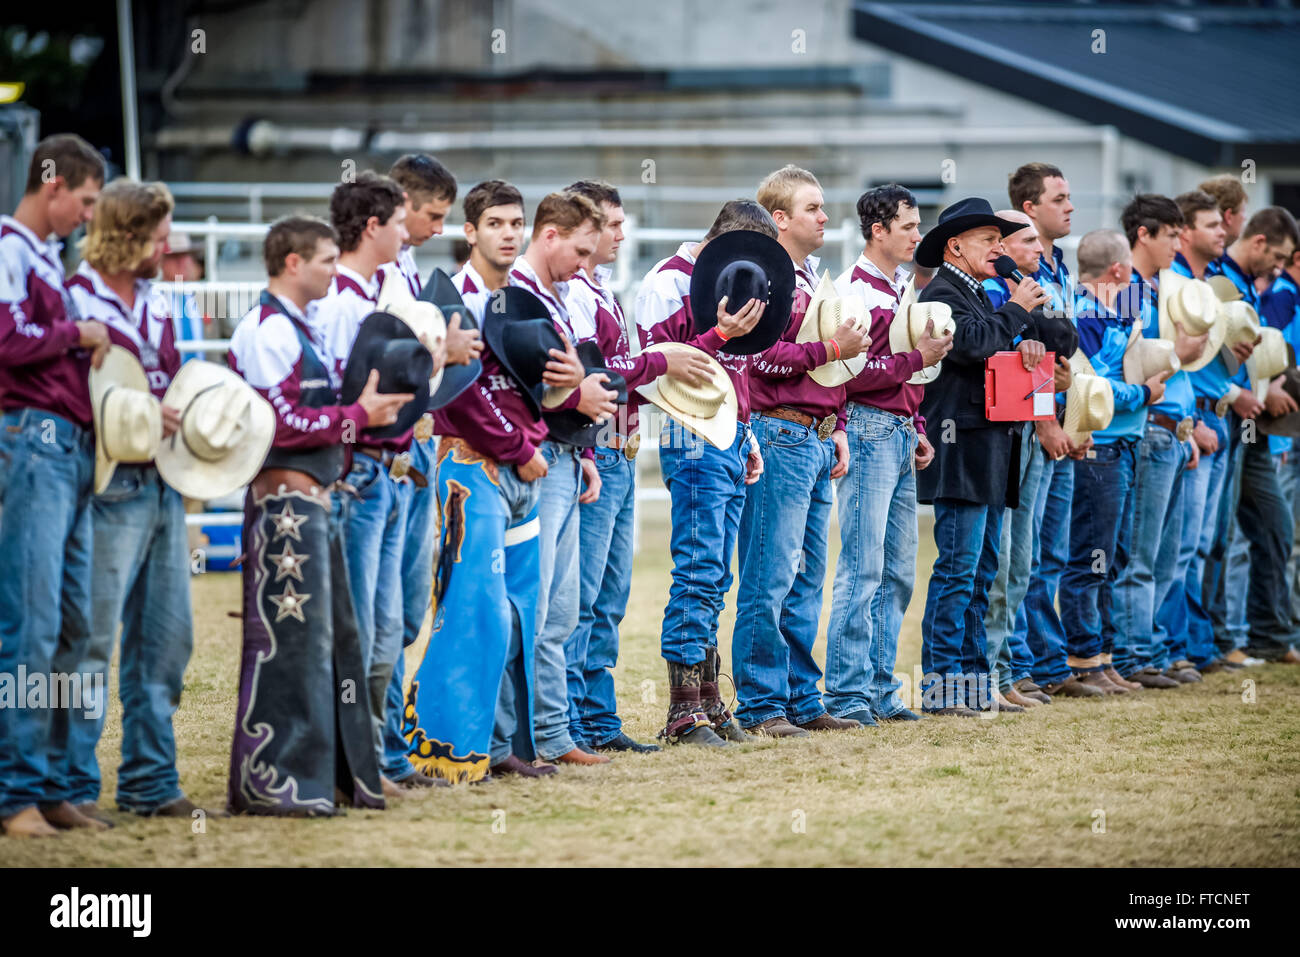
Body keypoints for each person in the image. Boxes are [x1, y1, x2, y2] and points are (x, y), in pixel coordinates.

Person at [227, 215, 408, 814]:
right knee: (286, 642)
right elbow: (275, 422)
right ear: (293, 263)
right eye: (327, 260)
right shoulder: (266, 331)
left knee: (323, 642)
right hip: (281, 506)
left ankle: (318, 773)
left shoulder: (294, 329)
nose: (337, 270)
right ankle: (272, 777)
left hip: (308, 502)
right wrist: (357, 417)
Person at [406, 180, 579, 781]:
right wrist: (520, 445)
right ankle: (446, 747)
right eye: (496, 223)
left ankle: (501, 743)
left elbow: (538, 388)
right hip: (470, 467)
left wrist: (568, 385)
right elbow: (459, 398)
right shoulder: (452, 302)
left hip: (521, 465)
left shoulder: (520, 300)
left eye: (515, 224)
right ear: (470, 231)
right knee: (474, 606)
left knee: (518, 610)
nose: (507, 234)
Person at [63, 179, 197, 822]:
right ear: (128, 234)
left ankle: (150, 779)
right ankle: (69, 784)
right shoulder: (74, 300)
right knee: (88, 639)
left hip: (161, 478)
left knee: (166, 641)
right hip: (109, 479)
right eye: (158, 236)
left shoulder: (155, 301)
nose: (167, 248)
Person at [562, 180, 697, 753]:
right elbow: (604, 373)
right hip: (598, 448)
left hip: (619, 447)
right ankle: (566, 720)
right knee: (584, 595)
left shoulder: (599, 288)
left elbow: (622, 371)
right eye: (612, 224)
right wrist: (655, 359)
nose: (621, 234)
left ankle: (594, 718)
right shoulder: (574, 295)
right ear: (584, 230)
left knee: (610, 595)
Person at [733, 165, 868, 737]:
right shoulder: (764, 277)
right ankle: (763, 704)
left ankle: (800, 697)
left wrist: (836, 420)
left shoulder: (813, 277)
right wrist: (832, 347)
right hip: (779, 432)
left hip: (812, 434)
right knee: (770, 572)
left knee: (807, 575)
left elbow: (828, 366)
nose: (825, 217)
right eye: (813, 208)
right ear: (780, 218)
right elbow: (761, 358)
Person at [634, 199, 774, 746]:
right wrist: (716, 334)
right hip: (689, 434)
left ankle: (709, 701)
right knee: (697, 566)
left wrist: (746, 434)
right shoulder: (668, 283)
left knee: (716, 571)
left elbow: (738, 373)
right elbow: (654, 369)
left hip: (728, 435)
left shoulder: (738, 277)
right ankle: (681, 709)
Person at [0, 134, 107, 838]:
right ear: (53, 184)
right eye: (87, 201)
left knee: (72, 623)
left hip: (62, 446)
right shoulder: (9, 249)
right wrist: (75, 333)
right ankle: (16, 793)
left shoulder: (41, 256)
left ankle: (51, 782)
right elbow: (6, 342)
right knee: (32, 623)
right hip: (31, 440)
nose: (88, 217)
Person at [913, 197, 1048, 716]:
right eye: (989, 239)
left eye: (999, 239)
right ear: (956, 246)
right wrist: (1017, 311)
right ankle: (943, 686)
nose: (999, 247)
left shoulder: (975, 291)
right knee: (959, 568)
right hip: (962, 447)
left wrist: (1017, 315)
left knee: (981, 568)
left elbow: (1018, 339)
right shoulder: (944, 291)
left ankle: (970, 683)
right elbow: (970, 345)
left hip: (987, 446)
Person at [374, 153, 480, 790]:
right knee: (387, 608)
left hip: (412, 445)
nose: (438, 228)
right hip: (389, 449)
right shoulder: (376, 275)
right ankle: (382, 751)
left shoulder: (405, 268)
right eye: (432, 214)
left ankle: (388, 745)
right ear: (401, 203)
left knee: (406, 605)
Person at [827, 184, 948, 725]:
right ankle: (848, 691)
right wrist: (915, 364)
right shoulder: (856, 292)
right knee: (863, 564)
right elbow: (853, 374)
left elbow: (899, 368)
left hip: (897, 430)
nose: (917, 236)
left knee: (897, 569)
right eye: (909, 227)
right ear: (878, 229)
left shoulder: (898, 286)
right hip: (873, 429)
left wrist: (916, 420)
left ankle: (878, 686)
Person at [506, 191, 618, 768]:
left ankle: (550, 734)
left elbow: (567, 380)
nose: (585, 264)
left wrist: (586, 450)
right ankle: (522, 738)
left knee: (560, 607)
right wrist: (582, 396)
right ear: (550, 235)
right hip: (540, 456)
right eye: (579, 251)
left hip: (564, 455)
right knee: (537, 600)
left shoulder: (552, 295)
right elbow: (529, 386)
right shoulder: (519, 296)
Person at [317, 172, 416, 797]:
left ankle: (369, 755)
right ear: (373, 226)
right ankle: (349, 760)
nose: (407, 234)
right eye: (399, 222)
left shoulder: (383, 291)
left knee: (385, 626)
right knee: (357, 626)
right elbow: (331, 392)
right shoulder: (338, 305)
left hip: (389, 468)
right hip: (359, 473)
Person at [1060, 228, 1170, 695]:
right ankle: (1084, 658)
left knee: (1112, 555)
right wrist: (1145, 392)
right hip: (1098, 447)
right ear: (1119, 271)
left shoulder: (1108, 312)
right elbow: (1095, 388)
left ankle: (1103, 656)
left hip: (1118, 446)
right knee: (1091, 556)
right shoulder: (1088, 317)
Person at [980, 209, 1077, 709]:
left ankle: (1009, 669)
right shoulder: (998, 294)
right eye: (1027, 240)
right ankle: (996, 673)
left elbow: (1064, 347)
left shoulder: (1036, 288)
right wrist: (1045, 414)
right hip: (1014, 431)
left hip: (1033, 424)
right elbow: (1008, 362)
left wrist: (1057, 389)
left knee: (1023, 560)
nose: (1039, 249)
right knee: (1004, 559)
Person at [1113, 194, 1209, 689]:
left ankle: (1151, 647)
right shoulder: (1128, 289)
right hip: (1149, 428)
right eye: (1171, 233)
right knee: (1142, 552)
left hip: (1174, 430)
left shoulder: (1157, 288)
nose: (1179, 242)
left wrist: (1188, 427)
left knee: (1170, 551)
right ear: (1143, 234)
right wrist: (1181, 351)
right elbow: (1132, 362)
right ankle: (1133, 654)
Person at [1004, 164, 1084, 703]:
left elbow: (1067, 348)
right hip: (1031, 424)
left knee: (1045, 550)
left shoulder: (1057, 270)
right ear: (1029, 208)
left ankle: (1043, 660)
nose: (1070, 206)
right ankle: (1027, 661)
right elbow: (1020, 358)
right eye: (1059, 198)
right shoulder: (1010, 282)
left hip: (1055, 420)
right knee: (1021, 550)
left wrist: (1073, 412)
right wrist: (1049, 419)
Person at [1210, 207, 1300, 664]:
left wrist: (1272, 383)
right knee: (1220, 536)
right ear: (1260, 242)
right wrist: (1241, 391)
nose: (1281, 268)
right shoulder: (1220, 279)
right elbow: (1207, 357)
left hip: (1256, 426)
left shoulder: (1246, 283)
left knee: (1276, 528)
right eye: (1280, 256)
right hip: (1228, 417)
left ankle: (1270, 633)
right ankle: (1222, 640)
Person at [1167, 190, 1248, 675]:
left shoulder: (1208, 284)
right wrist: (1190, 421)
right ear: (1186, 232)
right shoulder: (1173, 284)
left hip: (1215, 411)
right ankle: (1175, 647)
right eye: (1211, 224)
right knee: (1182, 543)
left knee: (1203, 540)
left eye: (1223, 223)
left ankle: (1195, 644)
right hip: (1192, 413)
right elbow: (1169, 357)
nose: (1222, 231)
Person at [157, 230, 207, 361]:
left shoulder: (208, 294)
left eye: (186, 255)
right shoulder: (152, 298)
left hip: (208, 377)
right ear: (161, 260)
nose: (182, 262)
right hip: (171, 379)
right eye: (174, 256)